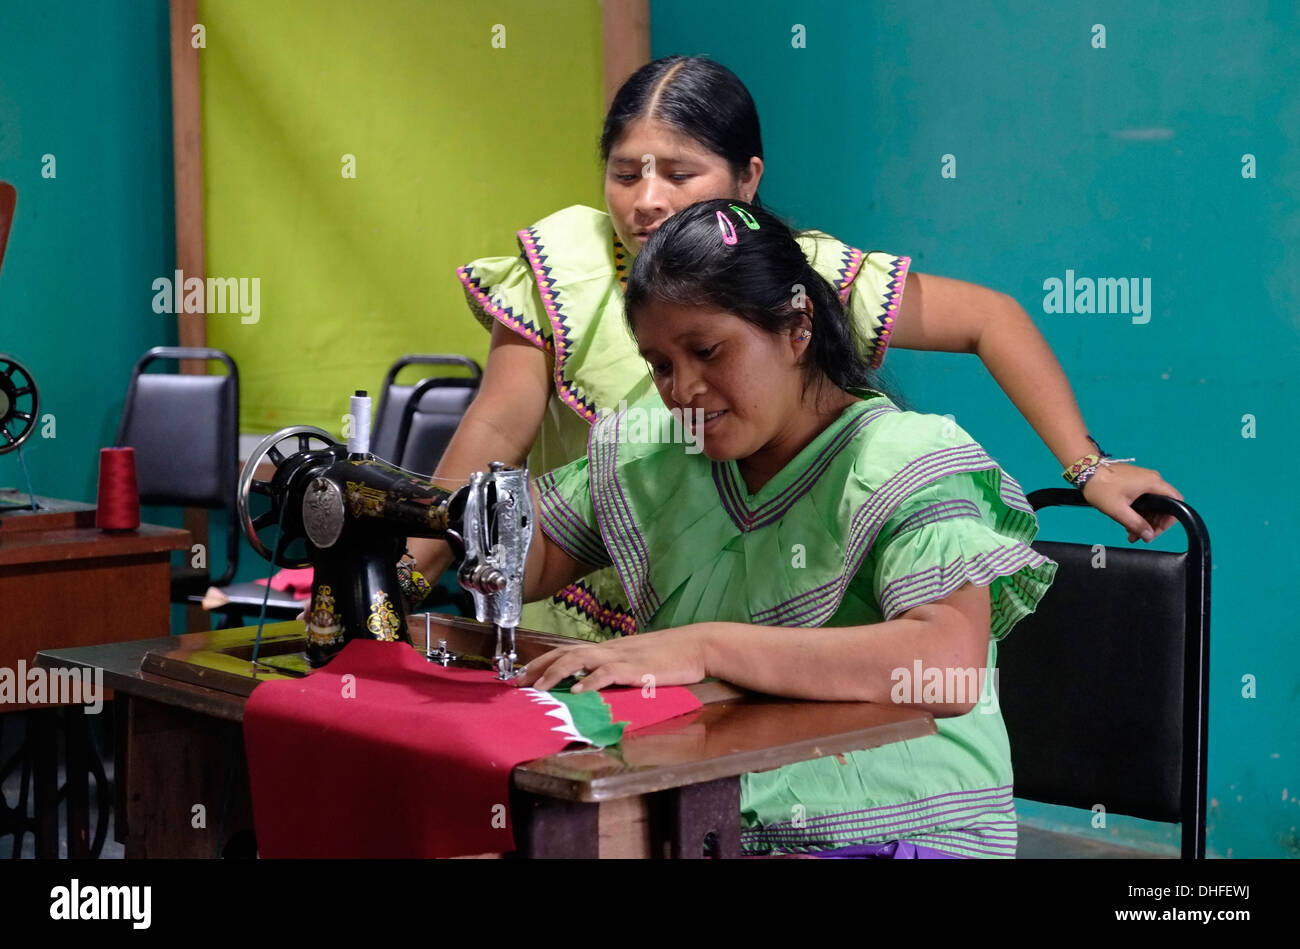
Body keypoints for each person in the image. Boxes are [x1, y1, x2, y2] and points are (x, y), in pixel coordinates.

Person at [409, 55, 1181, 644]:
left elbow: (991, 317)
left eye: (680, 173)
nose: (647, 199)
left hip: (740, 616)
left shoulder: (797, 275)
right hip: (578, 611)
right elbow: (496, 429)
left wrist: (1089, 467)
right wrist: (411, 567)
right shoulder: (564, 264)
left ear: (747, 179)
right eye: (624, 172)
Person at [515, 199, 1057, 857]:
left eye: (707, 351)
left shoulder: (906, 458)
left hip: (899, 826)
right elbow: (529, 545)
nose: (682, 388)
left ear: (797, 328)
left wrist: (706, 647)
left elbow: (944, 663)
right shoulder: (662, 450)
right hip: (720, 814)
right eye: (659, 365)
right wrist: (456, 523)